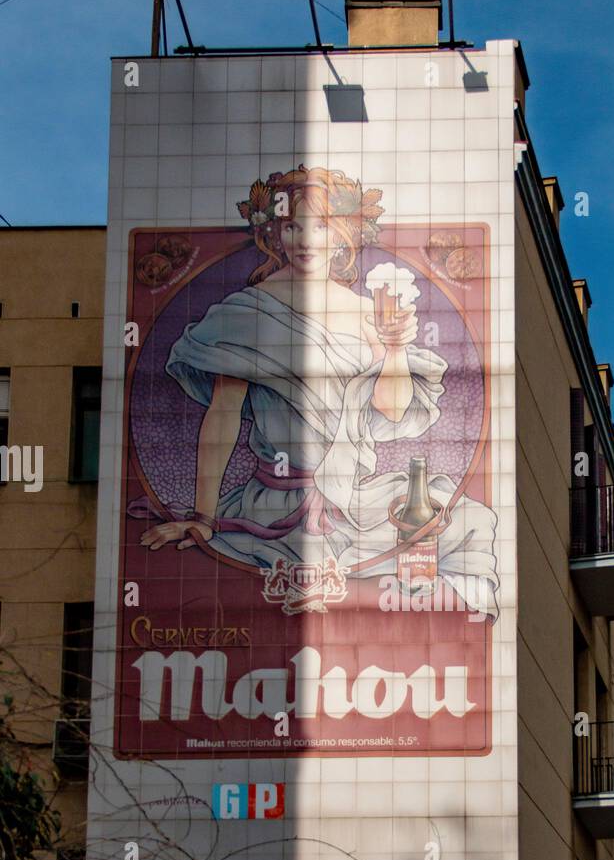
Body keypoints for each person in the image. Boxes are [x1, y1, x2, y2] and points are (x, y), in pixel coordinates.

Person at [138, 164, 499, 618]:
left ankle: (454, 643)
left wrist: (393, 349)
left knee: (471, 522)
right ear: (274, 232)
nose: (306, 239)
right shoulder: (245, 312)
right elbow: (223, 415)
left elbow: (390, 411)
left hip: (356, 499)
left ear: (343, 233)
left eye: (321, 225)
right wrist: (205, 518)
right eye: (292, 225)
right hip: (275, 504)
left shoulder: (371, 313)